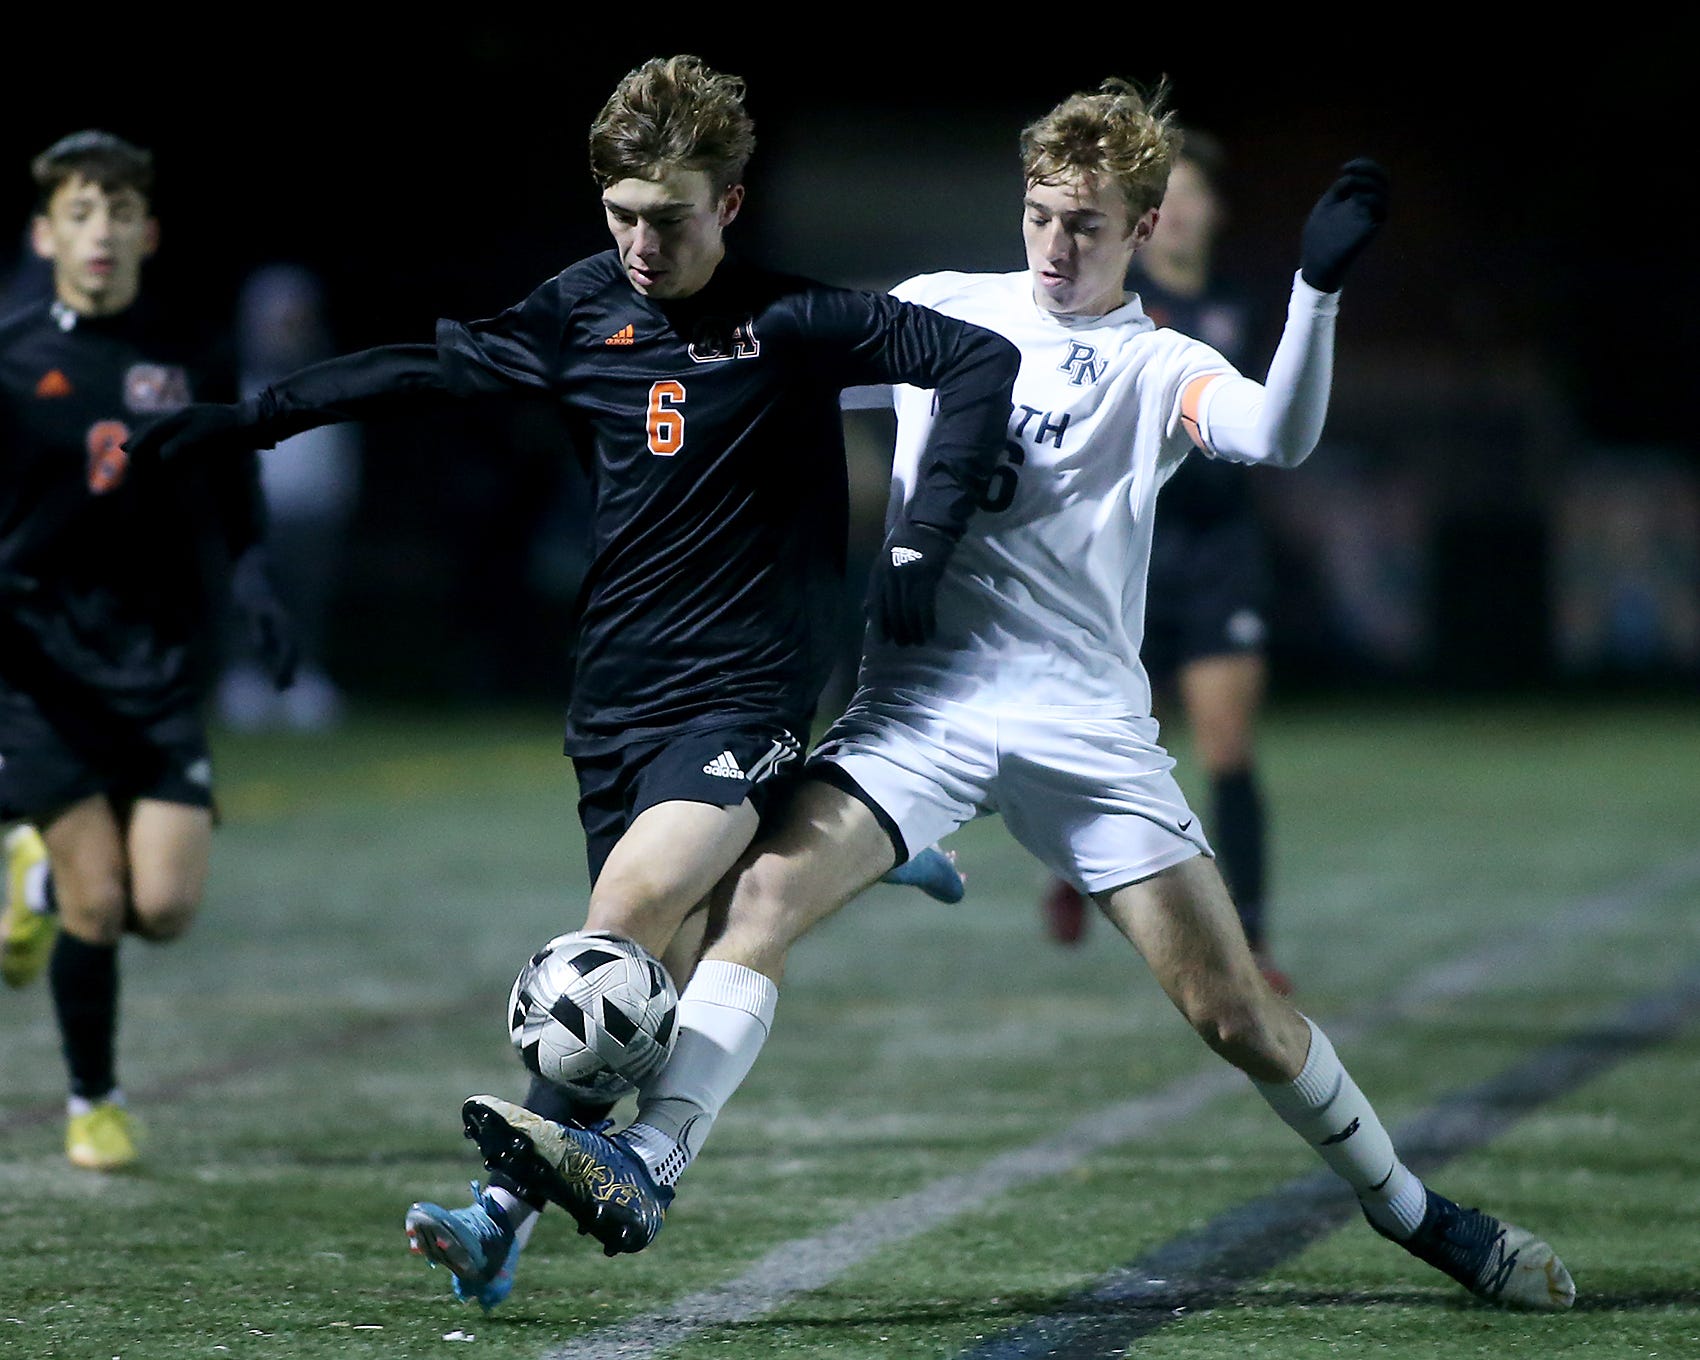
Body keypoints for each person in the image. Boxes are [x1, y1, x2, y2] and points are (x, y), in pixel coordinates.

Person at [455, 79, 1577, 1313]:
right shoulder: (942, 307)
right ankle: (648, 1160)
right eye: (1040, 214)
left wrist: (1313, 292)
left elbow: (1274, 436)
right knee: (755, 899)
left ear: (1141, 225)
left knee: (1232, 1015)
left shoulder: (1157, 363)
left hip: (1080, 731)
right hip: (917, 714)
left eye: (1085, 224)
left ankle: (1413, 1211)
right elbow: (766, 366)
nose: (1054, 244)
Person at [127, 55, 1020, 1309]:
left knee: (622, 920)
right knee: (676, 952)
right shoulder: (578, 312)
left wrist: (921, 537)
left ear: (730, 205)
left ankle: (510, 1202)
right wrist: (254, 416)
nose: (642, 245)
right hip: (612, 698)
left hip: (746, 687)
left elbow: (976, 361)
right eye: (620, 215)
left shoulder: (795, 320)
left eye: (670, 217)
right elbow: (423, 372)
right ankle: (841, 835)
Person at [0, 130, 298, 1170]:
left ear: (149, 232)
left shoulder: (189, 352)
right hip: (39, 666)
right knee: (101, 900)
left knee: (162, 908)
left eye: (120, 213)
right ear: (46, 235)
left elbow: (234, 477)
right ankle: (95, 1101)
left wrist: (255, 579)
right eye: (81, 213)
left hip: (161, 659)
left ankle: (30, 881)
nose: (102, 233)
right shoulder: (11, 356)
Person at [1038, 129, 1289, 995]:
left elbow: (1277, 420)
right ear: (1145, 216)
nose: (1179, 212)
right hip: (1128, 550)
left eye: (1193, 196)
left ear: (1214, 211)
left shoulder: (1245, 308)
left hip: (1218, 552)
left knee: (1227, 746)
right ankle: (1073, 866)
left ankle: (1251, 944)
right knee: (1117, 739)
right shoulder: (1119, 304)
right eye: (1165, 197)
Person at [217, 262, 362, 732]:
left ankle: (302, 679)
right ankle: (246, 680)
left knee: (307, 600)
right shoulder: (235, 382)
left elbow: (339, 453)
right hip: (255, 515)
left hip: (314, 515)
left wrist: (339, 498)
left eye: (297, 321)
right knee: (252, 597)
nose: (287, 331)